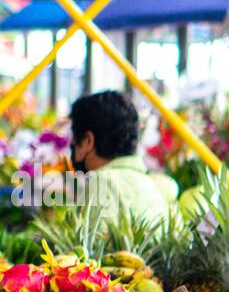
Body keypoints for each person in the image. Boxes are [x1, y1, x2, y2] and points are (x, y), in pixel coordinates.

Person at [69, 90, 177, 225]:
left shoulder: (102, 183)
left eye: (73, 138)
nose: (71, 145)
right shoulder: (151, 184)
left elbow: (93, 243)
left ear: (88, 140)